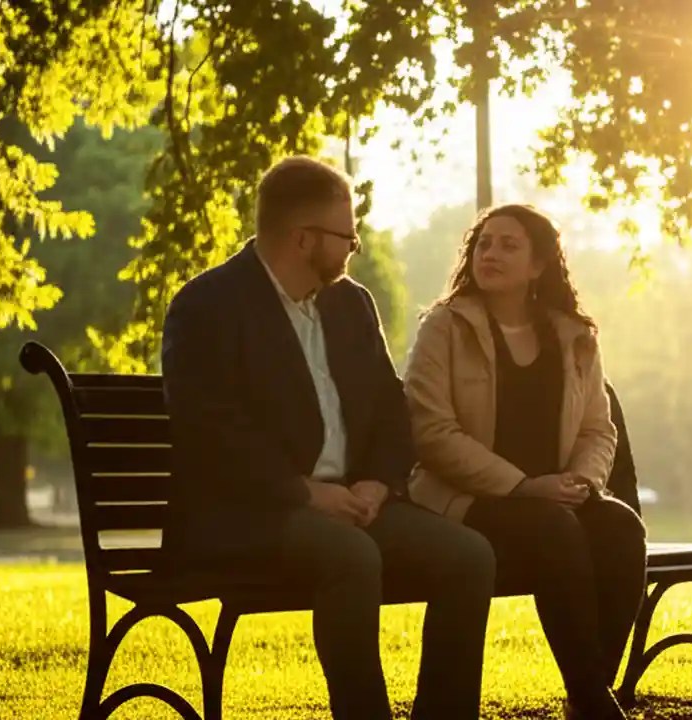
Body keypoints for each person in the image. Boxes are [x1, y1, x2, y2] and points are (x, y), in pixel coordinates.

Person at [161, 156, 495, 720]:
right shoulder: (206, 306)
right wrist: (304, 493)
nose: (353, 249)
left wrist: (378, 483)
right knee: (351, 555)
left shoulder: (351, 303)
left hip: (352, 504)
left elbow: (393, 411)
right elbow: (209, 433)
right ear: (302, 238)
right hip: (246, 514)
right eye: (348, 236)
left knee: (469, 555)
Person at [404, 204, 647, 720]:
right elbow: (433, 434)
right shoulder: (442, 328)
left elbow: (598, 428)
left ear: (539, 265)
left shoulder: (575, 336)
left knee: (621, 528)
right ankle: (594, 702)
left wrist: (582, 482)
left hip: (554, 500)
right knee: (553, 528)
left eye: (508, 245)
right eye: (484, 243)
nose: (490, 253)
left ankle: (589, 691)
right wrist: (522, 486)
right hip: (464, 500)